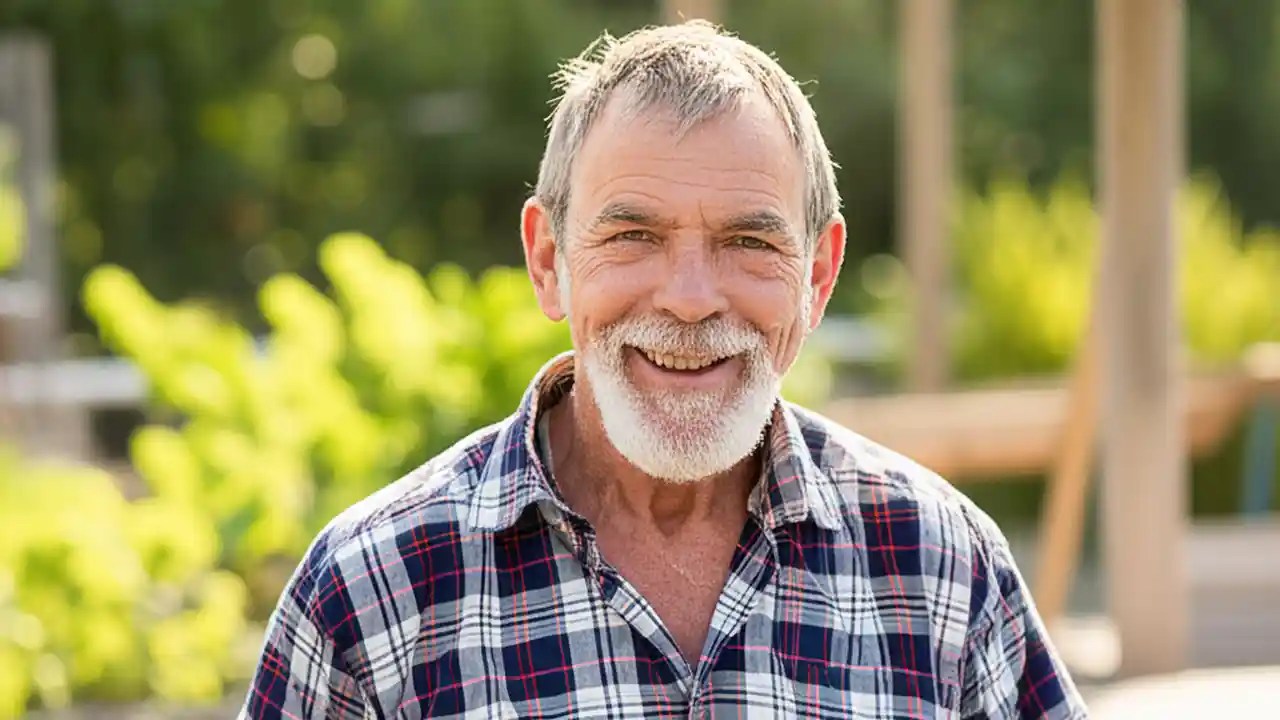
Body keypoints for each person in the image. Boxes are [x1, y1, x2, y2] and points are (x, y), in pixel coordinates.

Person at [239, 21, 1087, 719]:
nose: (689, 299)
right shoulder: (371, 591)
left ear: (818, 277)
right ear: (547, 260)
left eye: (749, 242)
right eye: (633, 235)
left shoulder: (940, 569)